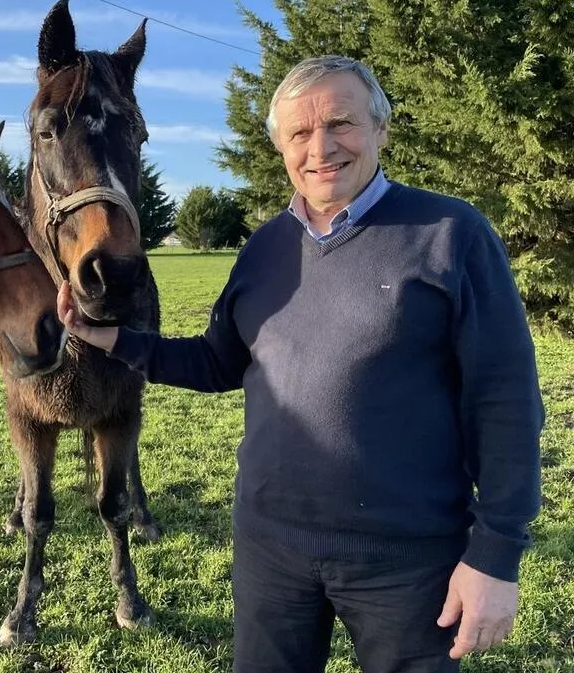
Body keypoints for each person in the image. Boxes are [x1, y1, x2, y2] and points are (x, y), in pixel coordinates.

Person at [57, 55, 545, 673]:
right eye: (299, 133)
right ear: (282, 147)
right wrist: (107, 338)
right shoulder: (264, 249)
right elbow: (216, 362)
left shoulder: (452, 235)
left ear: (380, 129)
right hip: (271, 550)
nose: (321, 147)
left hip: (408, 559)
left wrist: (496, 557)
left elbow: (505, 403)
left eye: (340, 123)